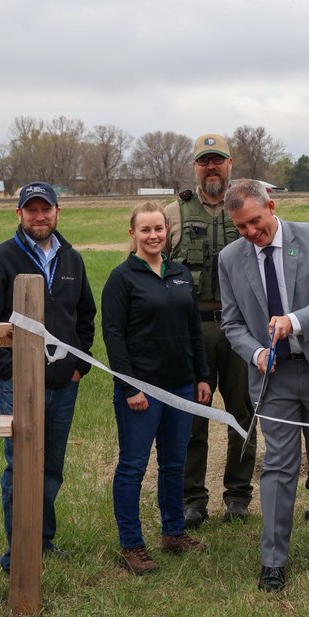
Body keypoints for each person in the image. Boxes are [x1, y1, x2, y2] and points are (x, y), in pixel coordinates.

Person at [218, 179, 309, 592]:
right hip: (273, 375)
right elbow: (231, 323)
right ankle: (273, 560)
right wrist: (255, 353)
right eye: (241, 227)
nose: (250, 233)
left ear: (272, 206)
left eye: (255, 222)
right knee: (279, 465)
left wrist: (293, 321)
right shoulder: (230, 258)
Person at [0, 181, 97, 573]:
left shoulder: (70, 259)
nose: (39, 217)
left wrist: (79, 364)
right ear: (18, 214)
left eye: (46, 209)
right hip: (18, 386)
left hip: (63, 383)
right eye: (31, 210)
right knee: (20, 465)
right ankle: (18, 549)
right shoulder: (0, 259)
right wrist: (9, 371)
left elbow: (85, 318)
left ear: (58, 211)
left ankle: (43, 541)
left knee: (52, 465)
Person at [102, 202, 212, 574]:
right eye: (145, 230)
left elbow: (194, 330)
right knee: (133, 467)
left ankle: (173, 532)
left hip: (181, 387)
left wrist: (202, 376)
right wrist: (130, 386)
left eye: (159, 229)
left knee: (175, 463)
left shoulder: (179, 273)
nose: (153, 236)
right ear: (132, 234)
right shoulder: (122, 278)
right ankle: (131, 544)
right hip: (142, 392)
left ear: (168, 231)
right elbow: (114, 337)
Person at [164, 133, 257, 527]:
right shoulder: (173, 214)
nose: (211, 167)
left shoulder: (250, 208)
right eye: (204, 161)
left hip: (241, 331)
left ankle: (237, 496)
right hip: (193, 331)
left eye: (218, 160)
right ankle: (192, 499)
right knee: (192, 420)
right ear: (195, 166)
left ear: (230, 163)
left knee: (243, 416)